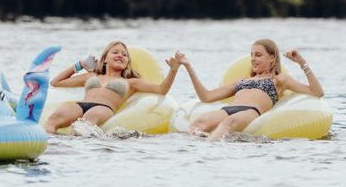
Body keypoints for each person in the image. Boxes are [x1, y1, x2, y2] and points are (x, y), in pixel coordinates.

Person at [181, 39, 323, 140]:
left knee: (229, 123)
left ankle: (208, 155)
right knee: (199, 122)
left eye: (258, 55)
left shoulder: (279, 79)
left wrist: (302, 62)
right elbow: (206, 96)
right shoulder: (242, 81)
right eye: (252, 55)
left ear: (272, 58)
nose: (253, 59)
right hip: (228, 110)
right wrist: (189, 68)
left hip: (250, 111)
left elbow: (317, 92)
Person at [44, 41, 184, 134]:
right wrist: (79, 65)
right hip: (81, 104)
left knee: (87, 120)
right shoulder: (91, 76)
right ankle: (53, 147)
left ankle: (79, 151)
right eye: (115, 52)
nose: (120, 56)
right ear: (105, 58)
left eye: (124, 55)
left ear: (127, 62)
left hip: (104, 108)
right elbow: (56, 82)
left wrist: (173, 70)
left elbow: (161, 90)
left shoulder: (131, 82)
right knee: (56, 116)